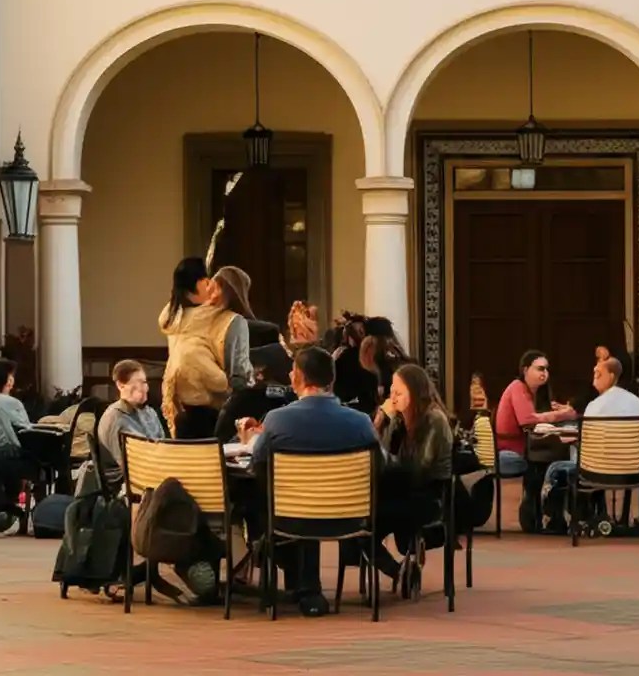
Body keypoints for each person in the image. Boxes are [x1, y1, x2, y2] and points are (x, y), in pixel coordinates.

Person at [240, 346, 377, 617]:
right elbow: (380, 465)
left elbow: (257, 465)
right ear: (332, 380)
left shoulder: (278, 420)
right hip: (348, 519)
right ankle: (306, 589)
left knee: (257, 502)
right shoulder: (361, 423)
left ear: (298, 378)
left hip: (288, 519)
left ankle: (287, 584)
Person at [365, 364, 454, 580]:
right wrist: (382, 421)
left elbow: (419, 470)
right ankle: (400, 573)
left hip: (427, 496)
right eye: (391, 393)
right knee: (357, 527)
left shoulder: (434, 420)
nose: (392, 398)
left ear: (415, 392)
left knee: (366, 524)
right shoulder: (401, 420)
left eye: (398, 393)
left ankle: (403, 573)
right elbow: (382, 455)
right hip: (401, 491)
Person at [541, 356, 639, 529]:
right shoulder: (636, 402)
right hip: (633, 470)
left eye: (598, 374)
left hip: (597, 471)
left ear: (612, 376)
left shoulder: (595, 406)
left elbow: (586, 439)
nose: (594, 378)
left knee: (557, 467)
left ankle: (561, 521)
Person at [159, 257, 235, 437]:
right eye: (206, 281)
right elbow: (218, 381)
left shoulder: (173, 315)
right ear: (196, 283)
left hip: (180, 405)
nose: (210, 287)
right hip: (206, 408)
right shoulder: (206, 317)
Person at [76, 359, 165, 496]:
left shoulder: (150, 412)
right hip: (127, 486)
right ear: (121, 385)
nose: (144, 388)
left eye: (144, 382)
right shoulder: (115, 418)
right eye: (137, 384)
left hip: (154, 472)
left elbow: (163, 446)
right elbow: (130, 465)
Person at [493, 350, 577, 478]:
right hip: (510, 454)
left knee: (558, 452)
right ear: (526, 370)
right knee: (555, 456)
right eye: (540, 369)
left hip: (521, 450)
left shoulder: (530, 390)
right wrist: (563, 414)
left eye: (546, 369)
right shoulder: (517, 387)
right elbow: (528, 420)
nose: (545, 373)